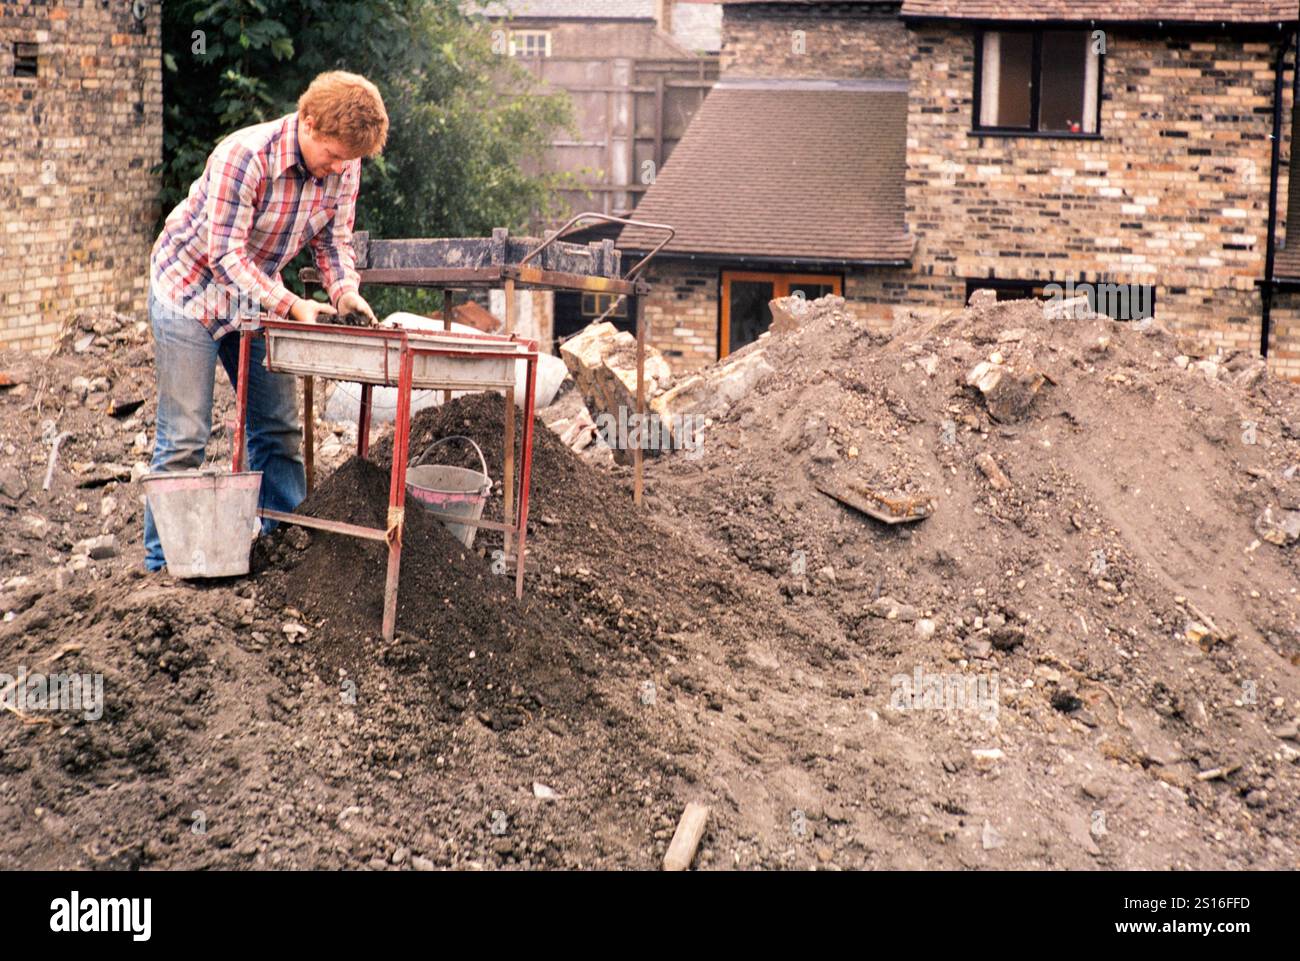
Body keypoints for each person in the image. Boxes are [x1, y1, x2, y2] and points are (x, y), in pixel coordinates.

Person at [143, 71, 388, 572]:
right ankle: (158, 568)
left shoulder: (346, 166)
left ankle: (286, 552)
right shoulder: (246, 156)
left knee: (277, 427)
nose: (340, 167)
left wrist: (345, 293)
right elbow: (225, 257)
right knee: (186, 436)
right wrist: (292, 305)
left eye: (349, 159)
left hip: (255, 300)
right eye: (334, 154)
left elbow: (332, 242)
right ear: (308, 122)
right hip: (189, 292)